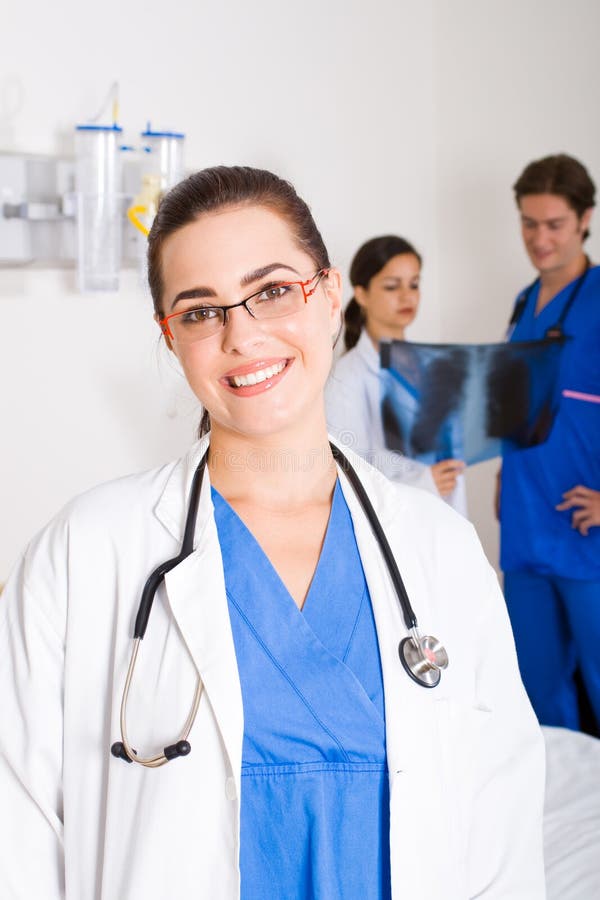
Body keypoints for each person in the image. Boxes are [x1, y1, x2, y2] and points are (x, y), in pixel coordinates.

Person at [0, 166, 545, 899]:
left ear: (326, 297)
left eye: (273, 291)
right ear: (171, 337)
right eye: (200, 312)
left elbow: (501, 834)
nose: (242, 334)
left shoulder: (440, 552)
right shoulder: (86, 552)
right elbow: (19, 836)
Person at [498, 153, 600, 732]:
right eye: (528, 223)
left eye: (554, 224)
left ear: (585, 218)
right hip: (527, 521)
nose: (539, 238)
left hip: (588, 533)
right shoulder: (522, 302)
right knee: (537, 692)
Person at [325, 236, 467, 515]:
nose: (407, 296)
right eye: (392, 286)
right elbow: (346, 480)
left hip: (448, 521)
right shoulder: (347, 379)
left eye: (414, 284)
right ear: (362, 293)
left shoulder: (432, 368)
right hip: (399, 533)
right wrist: (424, 483)